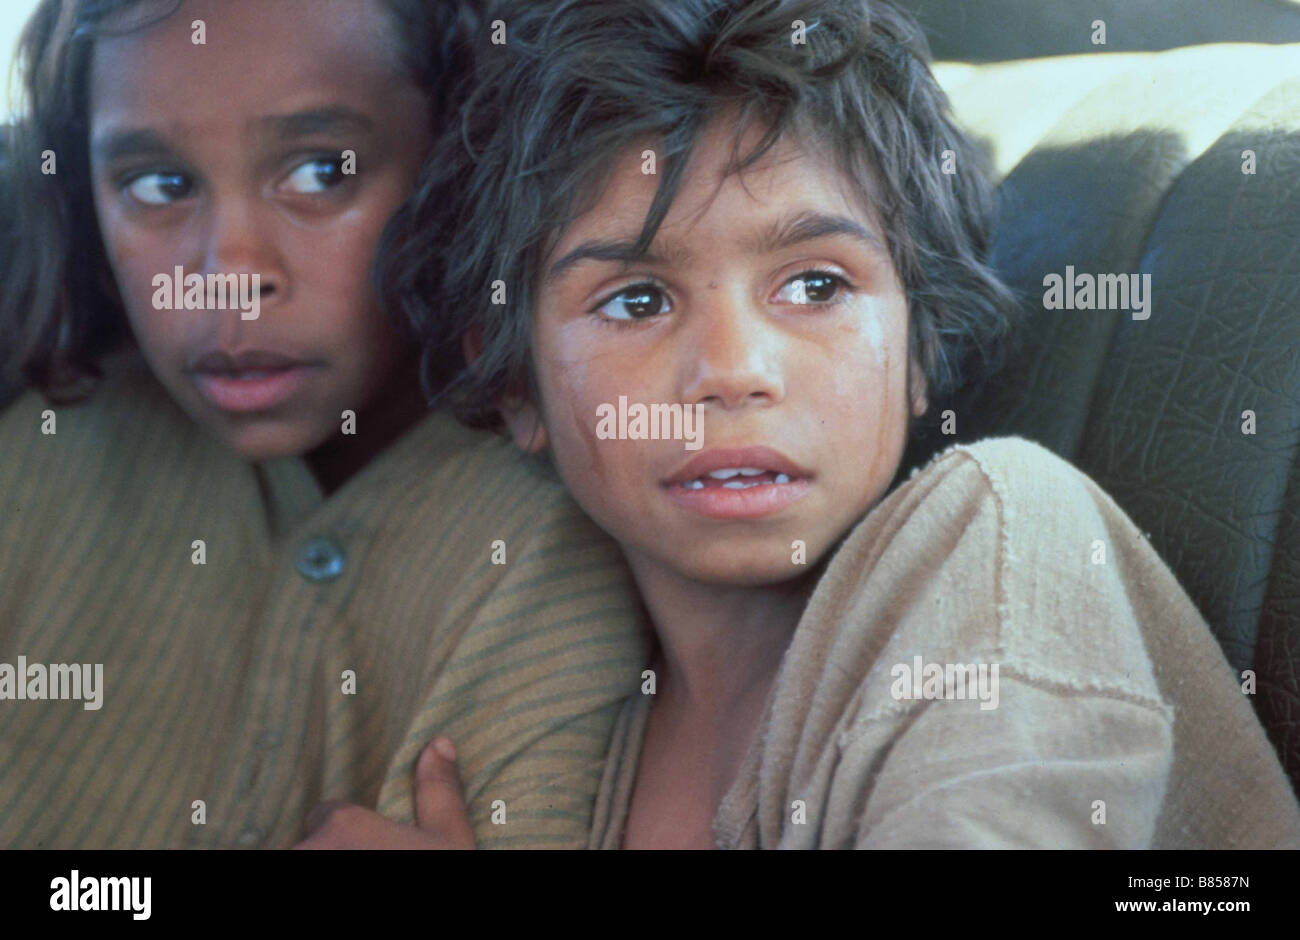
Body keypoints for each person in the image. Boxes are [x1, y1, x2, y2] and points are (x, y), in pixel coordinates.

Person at [384, 0, 1300, 847]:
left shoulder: (998, 548)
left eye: (816, 286)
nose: (735, 371)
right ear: (514, 385)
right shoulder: (560, 715)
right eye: (636, 300)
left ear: (918, 346)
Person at [0, 0, 643, 849]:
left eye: (319, 173)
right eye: (159, 185)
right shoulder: (42, 462)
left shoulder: (563, 538)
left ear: (456, 163)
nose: (227, 277)